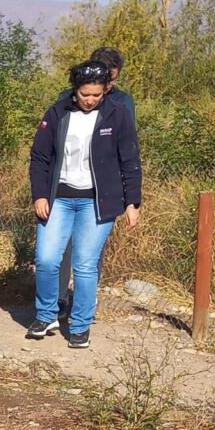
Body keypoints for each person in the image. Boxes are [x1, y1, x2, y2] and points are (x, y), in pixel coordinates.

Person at [27, 60, 141, 348]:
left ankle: (79, 326)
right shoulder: (57, 112)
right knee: (47, 258)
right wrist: (40, 195)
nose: (89, 100)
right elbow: (40, 157)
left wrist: (132, 203)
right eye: (84, 94)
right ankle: (45, 315)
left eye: (96, 95)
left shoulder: (118, 115)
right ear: (74, 89)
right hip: (59, 199)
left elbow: (130, 159)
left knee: (85, 265)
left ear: (105, 91)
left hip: (97, 202)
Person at [56, 46, 135, 317]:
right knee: (63, 244)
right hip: (67, 186)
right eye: (105, 79)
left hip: (102, 187)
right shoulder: (67, 99)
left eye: (112, 80)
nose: (109, 85)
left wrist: (128, 197)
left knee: (91, 251)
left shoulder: (123, 103)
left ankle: (84, 301)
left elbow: (127, 146)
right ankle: (58, 299)